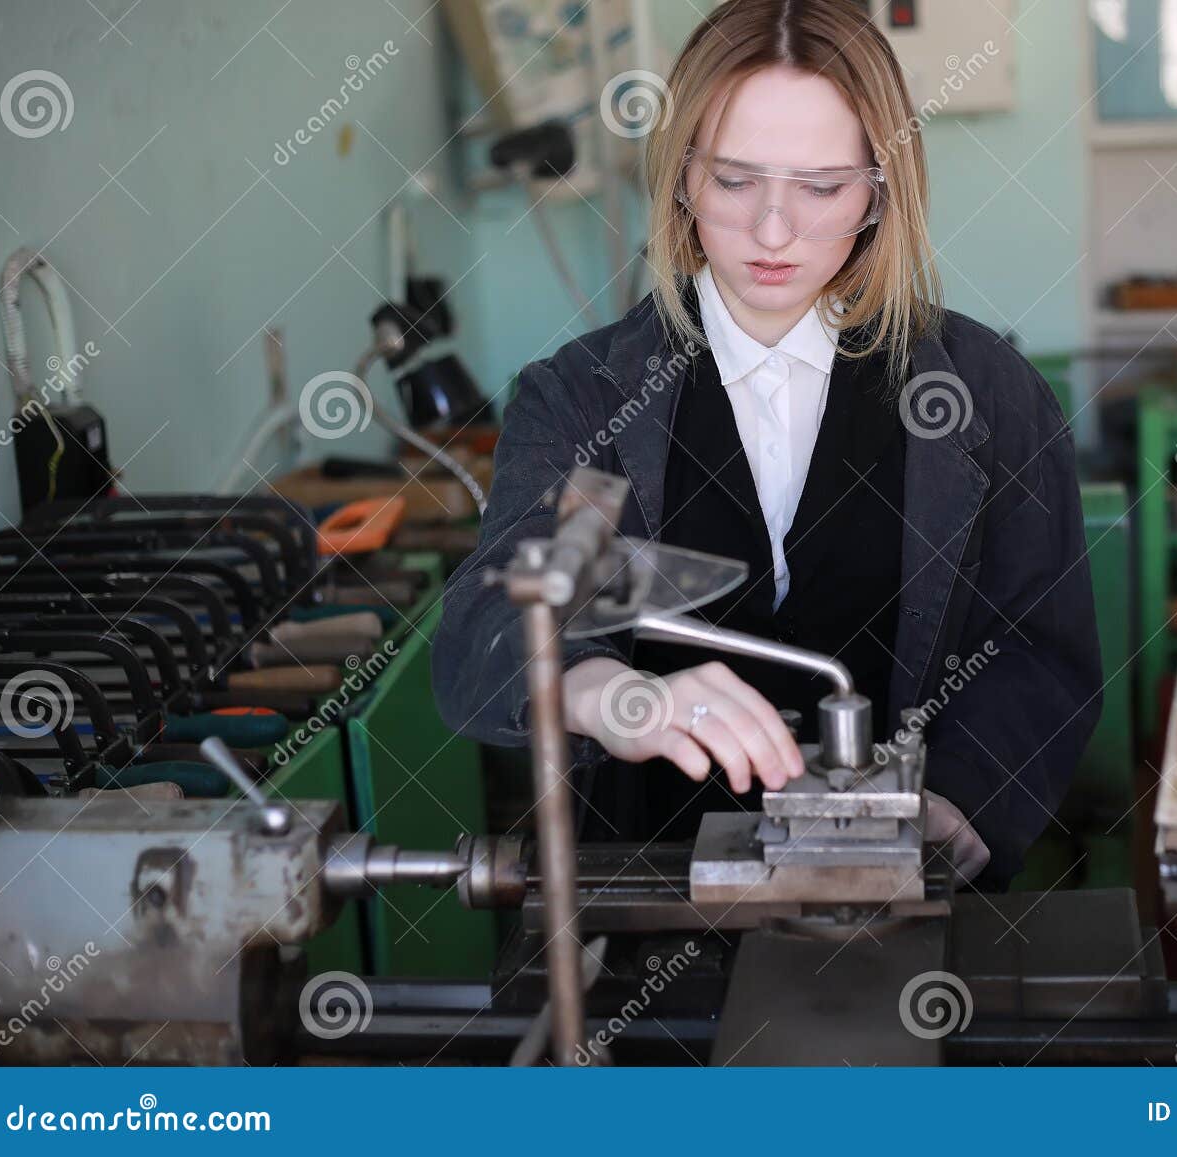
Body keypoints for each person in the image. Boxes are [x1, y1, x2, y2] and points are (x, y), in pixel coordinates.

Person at [433, 0, 1102, 889]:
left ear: (879, 190)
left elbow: (1039, 646)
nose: (775, 231)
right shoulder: (580, 396)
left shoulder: (988, 395)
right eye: (736, 182)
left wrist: (963, 801)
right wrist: (603, 694)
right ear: (680, 178)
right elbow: (481, 637)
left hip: (901, 908)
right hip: (646, 907)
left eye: (823, 187)